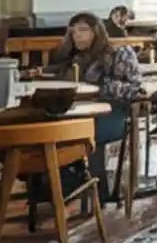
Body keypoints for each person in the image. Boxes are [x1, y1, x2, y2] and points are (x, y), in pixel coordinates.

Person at [46, 12, 144, 198]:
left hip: (112, 114)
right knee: (49, 128)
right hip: (78, 112)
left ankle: (98, 191)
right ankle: (61, 188)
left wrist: (99, 87)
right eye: (73, 32)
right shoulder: (73, 58)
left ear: (97, 32)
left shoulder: (118, 53)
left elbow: (134, 88)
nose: (78, 35)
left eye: (83, 30)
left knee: (85, 131)